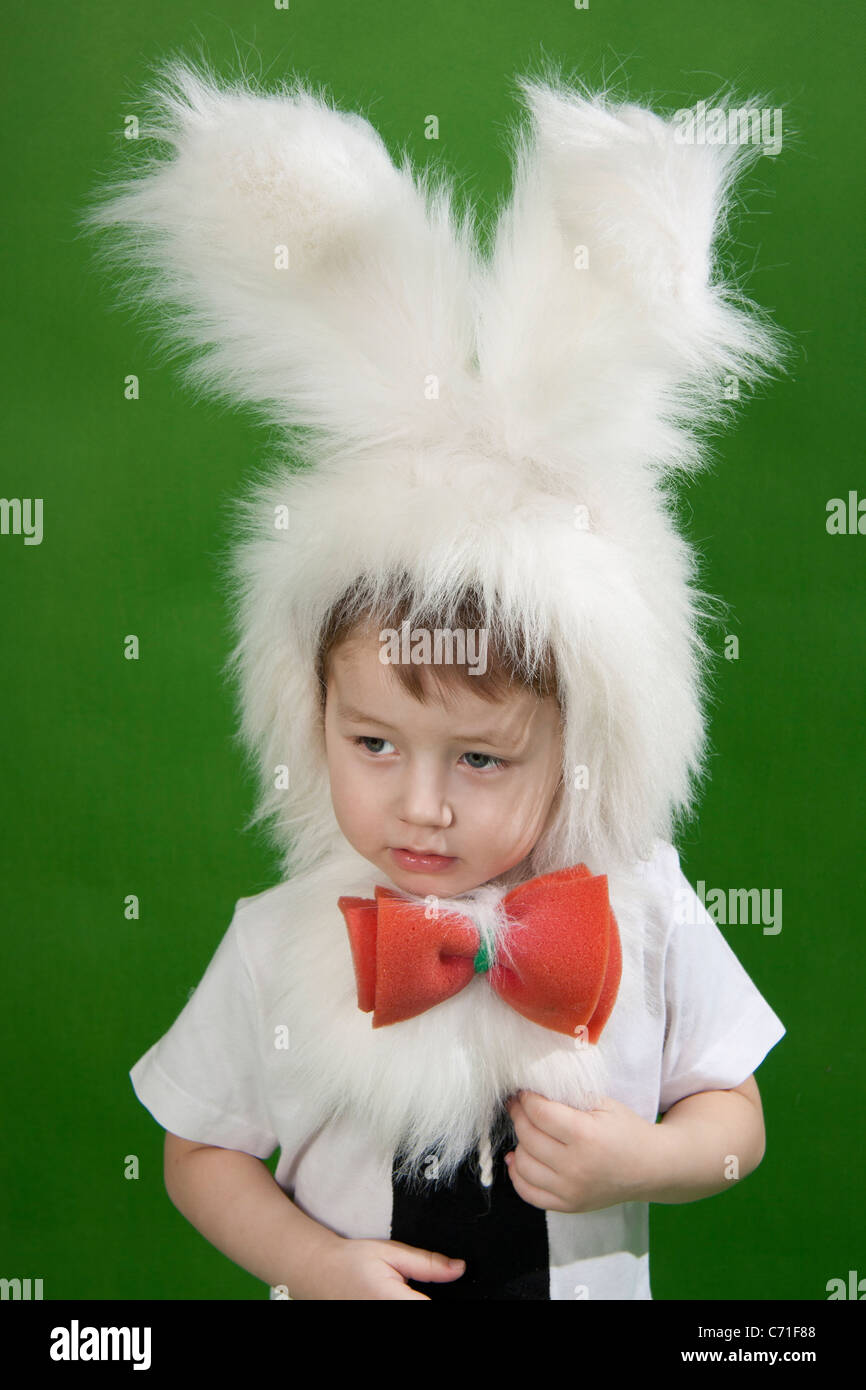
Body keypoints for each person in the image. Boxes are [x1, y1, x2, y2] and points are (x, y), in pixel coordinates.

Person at [83, 56, 788, 1299]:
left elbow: (736, 1119)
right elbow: (198, 1151)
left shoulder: (645, 908)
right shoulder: (276, 947)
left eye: (479, 759)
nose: (420, 805)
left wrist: (653, 1157)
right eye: (372, 746)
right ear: (309, 723)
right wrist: (315, 1261)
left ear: (588, 746)